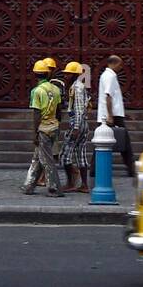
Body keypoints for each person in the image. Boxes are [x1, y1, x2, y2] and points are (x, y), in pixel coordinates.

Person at [23, 59, 62, 196]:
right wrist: (57, 125)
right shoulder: (56, 89)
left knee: (47, 160)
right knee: (37, 158)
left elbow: (36, 113)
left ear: (35, 75)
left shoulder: (37, 91)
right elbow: (59, 110)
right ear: (47, 73)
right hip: (54, 126)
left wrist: (35, 133)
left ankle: (54, 188)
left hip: (43, 129)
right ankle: (29, 185)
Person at [97, 54, 136, 177]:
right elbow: (108, 96)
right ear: (113, 64)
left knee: (101, 142)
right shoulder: (110, 76)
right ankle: (131, 168)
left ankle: (94, 169)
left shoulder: (106, 75)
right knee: (125, 143)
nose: (121, 67)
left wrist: (123, 114)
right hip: (111, 116)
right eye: (120, 64)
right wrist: (110, 115)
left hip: (112, 114)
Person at [59, 61, 91, 194]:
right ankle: (84, 185)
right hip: (84, 123)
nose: (66, 76)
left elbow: (78, 109)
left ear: (74, 75)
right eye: (65, 74)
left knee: (65, 155)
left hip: (77, 124)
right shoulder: (79, 86)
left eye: (68, 74)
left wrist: (76, 128)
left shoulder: (76, 88)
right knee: (81, 155)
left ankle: (71, 182)